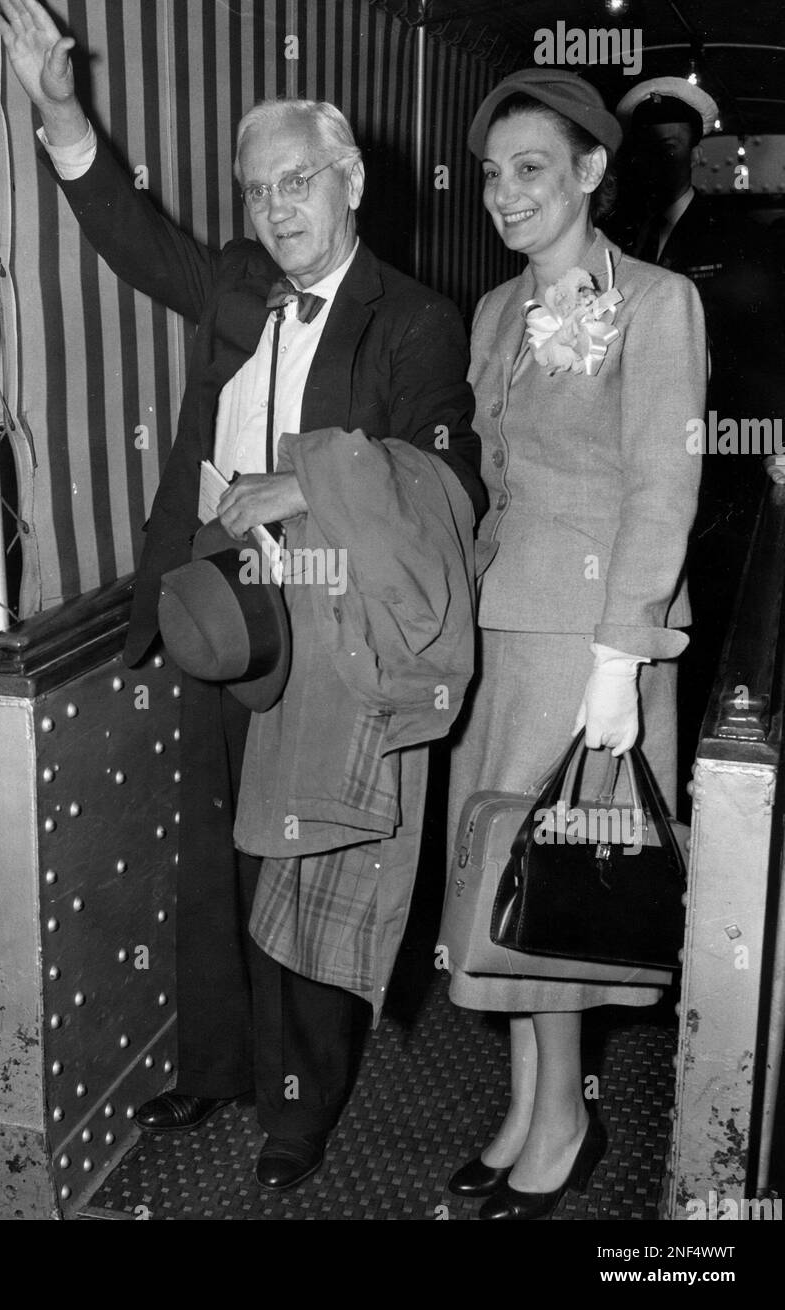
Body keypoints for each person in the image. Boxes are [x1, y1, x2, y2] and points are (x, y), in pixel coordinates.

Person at [0, 0, 484, 1193]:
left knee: (308, 865)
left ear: (353, 181)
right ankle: (216, 1060)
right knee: (215, 850)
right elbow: (132, 233)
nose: (274, 210)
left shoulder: (417, 322)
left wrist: (302, 488)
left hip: (326, 628)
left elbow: (441, 486)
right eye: (257, 190)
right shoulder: (238, 285)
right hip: (219, 614)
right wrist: (62, 115)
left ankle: (299, 1106)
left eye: (296, 182)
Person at [437, 68, 706, 1220]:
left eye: (533, 168)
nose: (507, 194)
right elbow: (496, 481)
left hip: (595, 640)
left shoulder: (658, 302)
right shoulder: (494, 313)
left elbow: (664, 481)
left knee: (558, 886)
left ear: (594, 172)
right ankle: (525, 1107)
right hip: (506, 632)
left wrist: (620, 656)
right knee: (505, 877)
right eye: (495, 175)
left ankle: (564, 1125)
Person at [610, 77, 785, 800]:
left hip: (720, 457)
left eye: (673, 145)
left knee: (705, 612)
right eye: (648, 148)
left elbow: (765, 346)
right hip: (635, 455)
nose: (661, 160)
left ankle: (691, 782)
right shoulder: (622, 238)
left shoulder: (733, 236)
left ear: (692, 151)